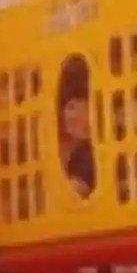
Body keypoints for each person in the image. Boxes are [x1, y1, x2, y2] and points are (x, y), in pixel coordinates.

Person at [58, 57, 95, 198]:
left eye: (72, 107)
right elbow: (74, 192)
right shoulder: (83, 159)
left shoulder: (74, 80)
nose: (70, 117)